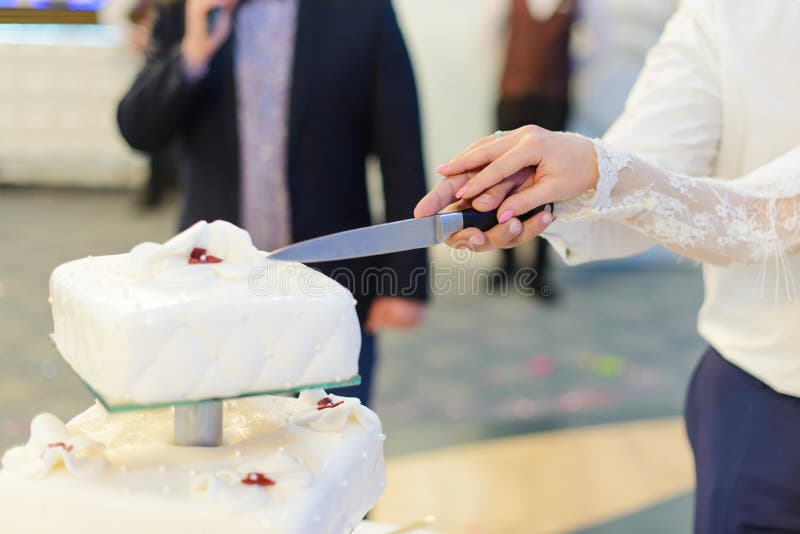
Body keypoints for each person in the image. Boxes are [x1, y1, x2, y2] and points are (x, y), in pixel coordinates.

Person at [415, 0, 800, 531]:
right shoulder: (721, 16)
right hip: (765, 399)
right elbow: (647, 167)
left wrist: (603, 171)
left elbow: (767, 215)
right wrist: (551, 190)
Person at [117, 0, 429, 406]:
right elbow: (138, 130)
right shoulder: (187, 9)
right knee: (214, 451)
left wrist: (405, 281)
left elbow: (400, 150)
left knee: (329, 447)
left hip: (328, 289)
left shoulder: (362, 10)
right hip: (211, 290)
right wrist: (192, 53)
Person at [494, 0, 574, 299]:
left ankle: (539, 270)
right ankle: (505, 262)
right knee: (501, 179)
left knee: (549, 186)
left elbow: (597, 47)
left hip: (554, 99)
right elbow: (491, 37)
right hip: (512, 95)